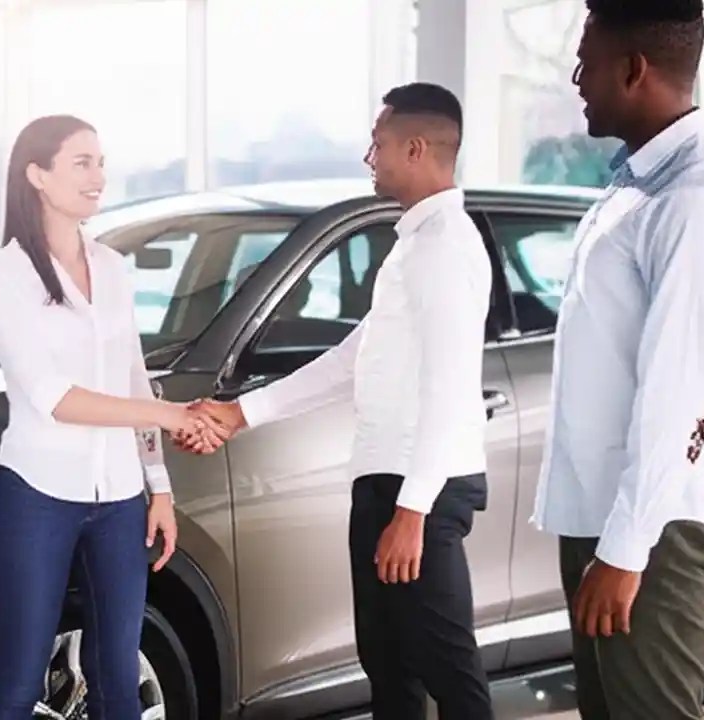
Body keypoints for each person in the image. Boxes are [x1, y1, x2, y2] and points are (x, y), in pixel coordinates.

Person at [182, 83, 495, 719]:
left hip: (418, 492)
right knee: (390, 666)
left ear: (415, 148)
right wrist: (242, 413)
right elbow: (354, 360)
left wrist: (411, 511)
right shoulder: (413, 246)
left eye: (377, 145)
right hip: (388, 482)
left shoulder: (444, 248)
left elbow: (448, 384)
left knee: (447, 669)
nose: (368, 157)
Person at [531, 1, 704, 718]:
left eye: (587, 62)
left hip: (655, 530)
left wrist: (627, 547)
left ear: (634, 69)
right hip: (608, 519)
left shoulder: (699, 200)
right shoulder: (637, 183)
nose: (577, 81)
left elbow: (689, 391)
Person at [0, 114, 226, 719]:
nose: (98, 176)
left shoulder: (112, 268)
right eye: (82, 163)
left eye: (101, 163)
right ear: (37, 174)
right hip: (37, 495)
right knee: (19, 675)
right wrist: (167, 414)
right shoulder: (1, 277)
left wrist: (157, 487)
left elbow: (132, 374)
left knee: (118, 670)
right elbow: (53, 398)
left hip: (118, 500)